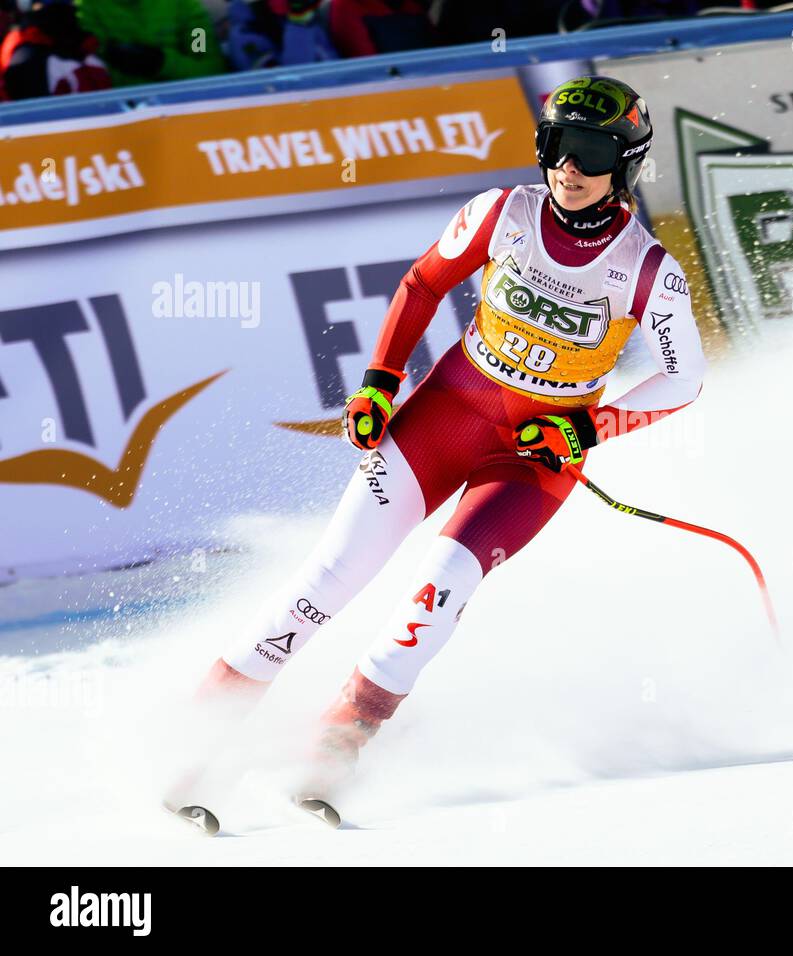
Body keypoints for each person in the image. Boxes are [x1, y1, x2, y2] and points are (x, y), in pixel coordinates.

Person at [168, 75, 707, 811]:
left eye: (589, 152)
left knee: (441, 588)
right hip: (446, 417)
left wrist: (586, 427)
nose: (568, 170)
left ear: (628, 164)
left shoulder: (647, 269)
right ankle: (199, 740)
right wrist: (381, 382)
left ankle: (340, 741)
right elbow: (423, 284)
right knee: (327, 579)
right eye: (556, 146)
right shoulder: (502, 213)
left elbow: (683, 379)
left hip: (531, 459)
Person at [74, 0, 224, 86]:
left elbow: (209, 68)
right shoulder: (85, 11)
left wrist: (162, 63)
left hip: (184, 109)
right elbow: (91, 80)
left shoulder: (187, 7)